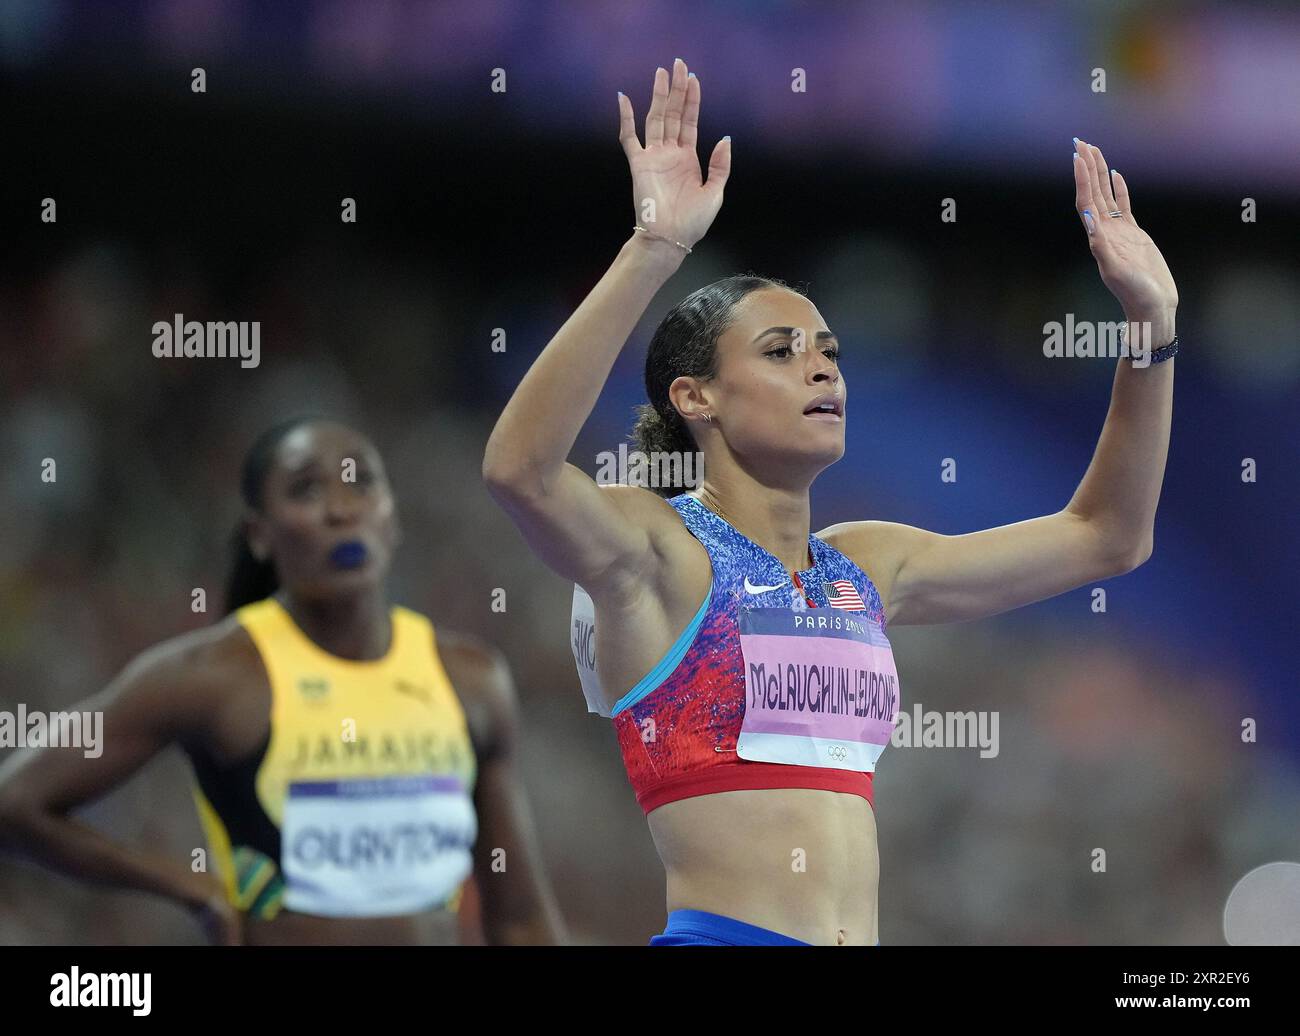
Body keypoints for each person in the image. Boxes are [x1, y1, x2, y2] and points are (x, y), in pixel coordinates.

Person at [482, 59, 1177, 946]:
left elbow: (1107, 537)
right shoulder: (658, 554)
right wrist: (653, 249)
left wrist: (1151, 330)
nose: (822, 368)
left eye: (829, 351)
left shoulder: (867, 567)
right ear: (696, 397)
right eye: (779, 351)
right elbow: (520, 471)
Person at [0, 417, 566, 945]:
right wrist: (189, 888)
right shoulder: (214, 677)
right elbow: (16, 804)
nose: (341, 510)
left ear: (393, 519)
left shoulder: (471, 679)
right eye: (306, 490)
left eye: (361, 484)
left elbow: (520, 923)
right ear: (259, 534)